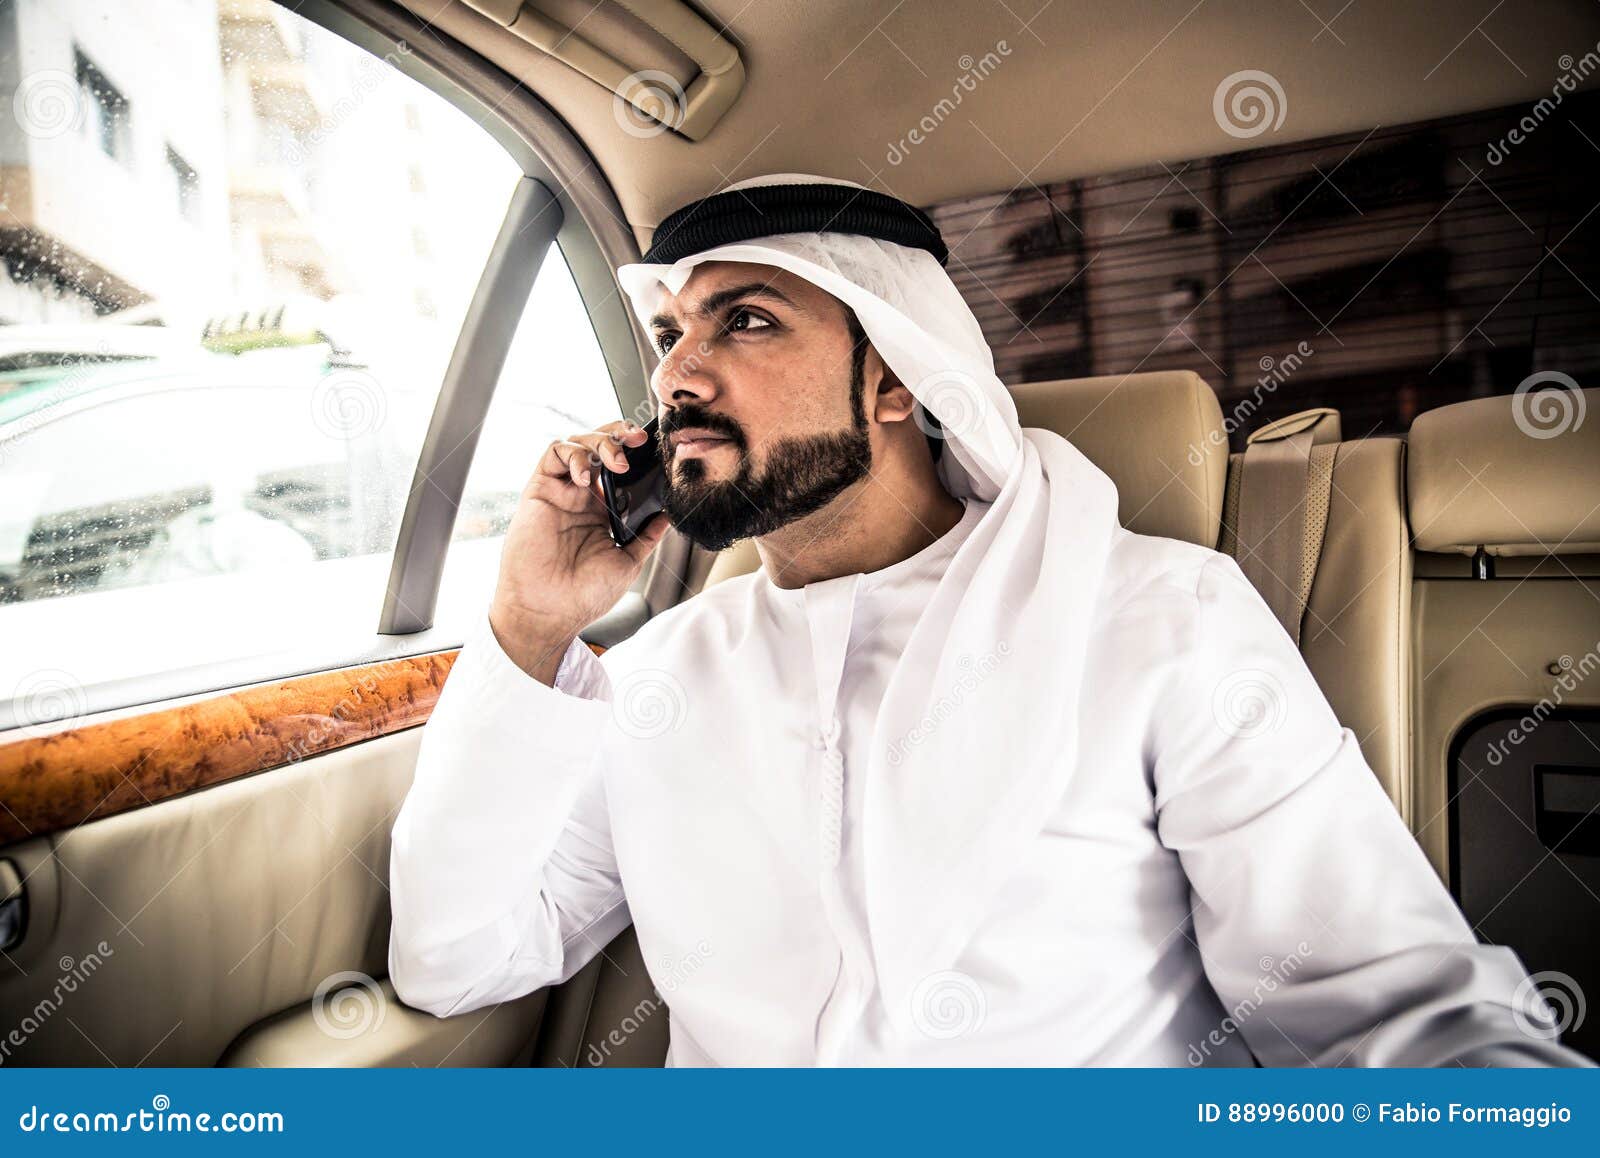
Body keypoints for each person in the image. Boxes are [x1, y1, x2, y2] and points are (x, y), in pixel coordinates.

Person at [388, 174, 1590, 1067]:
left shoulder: (1153, 621)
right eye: (669, 336)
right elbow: (454, 960)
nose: (675, 378)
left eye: (745, 322)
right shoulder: (664, 669)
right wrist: (529, 624)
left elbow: (1397, 1021)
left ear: (897, 377)